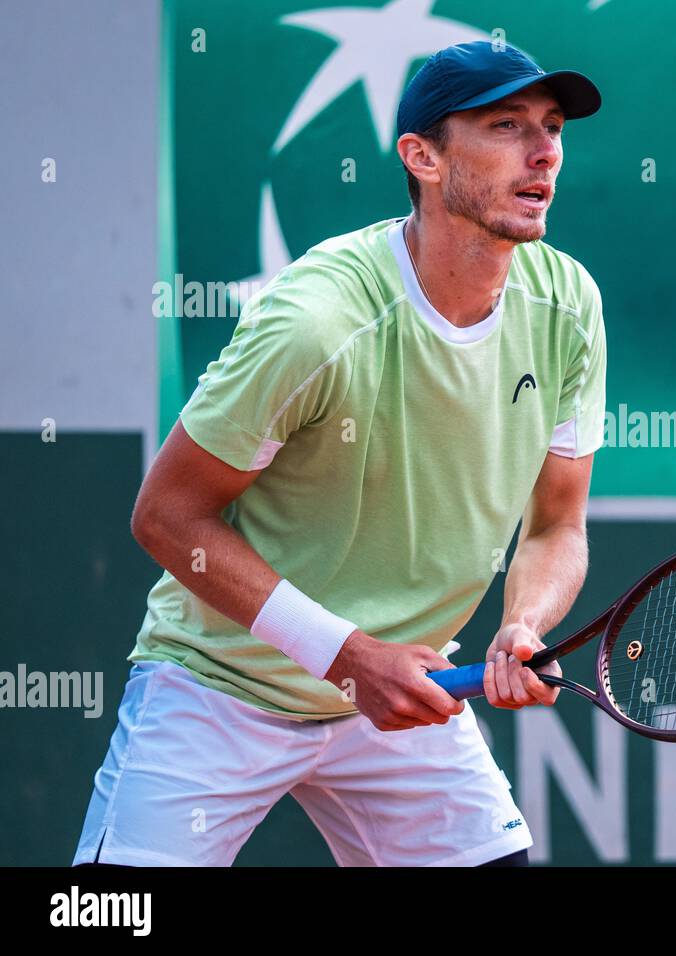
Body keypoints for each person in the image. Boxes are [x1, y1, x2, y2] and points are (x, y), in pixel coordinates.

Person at [72, 40, 606, 867]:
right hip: (223, 686)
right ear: (421, 157)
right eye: (506, 126)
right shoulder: (319, 321)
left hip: (407, 691)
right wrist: (351, 658)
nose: (544, 153)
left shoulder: (569, 304)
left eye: (553, 127)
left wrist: (522, 627)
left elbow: (556, 523)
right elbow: (167, 517)